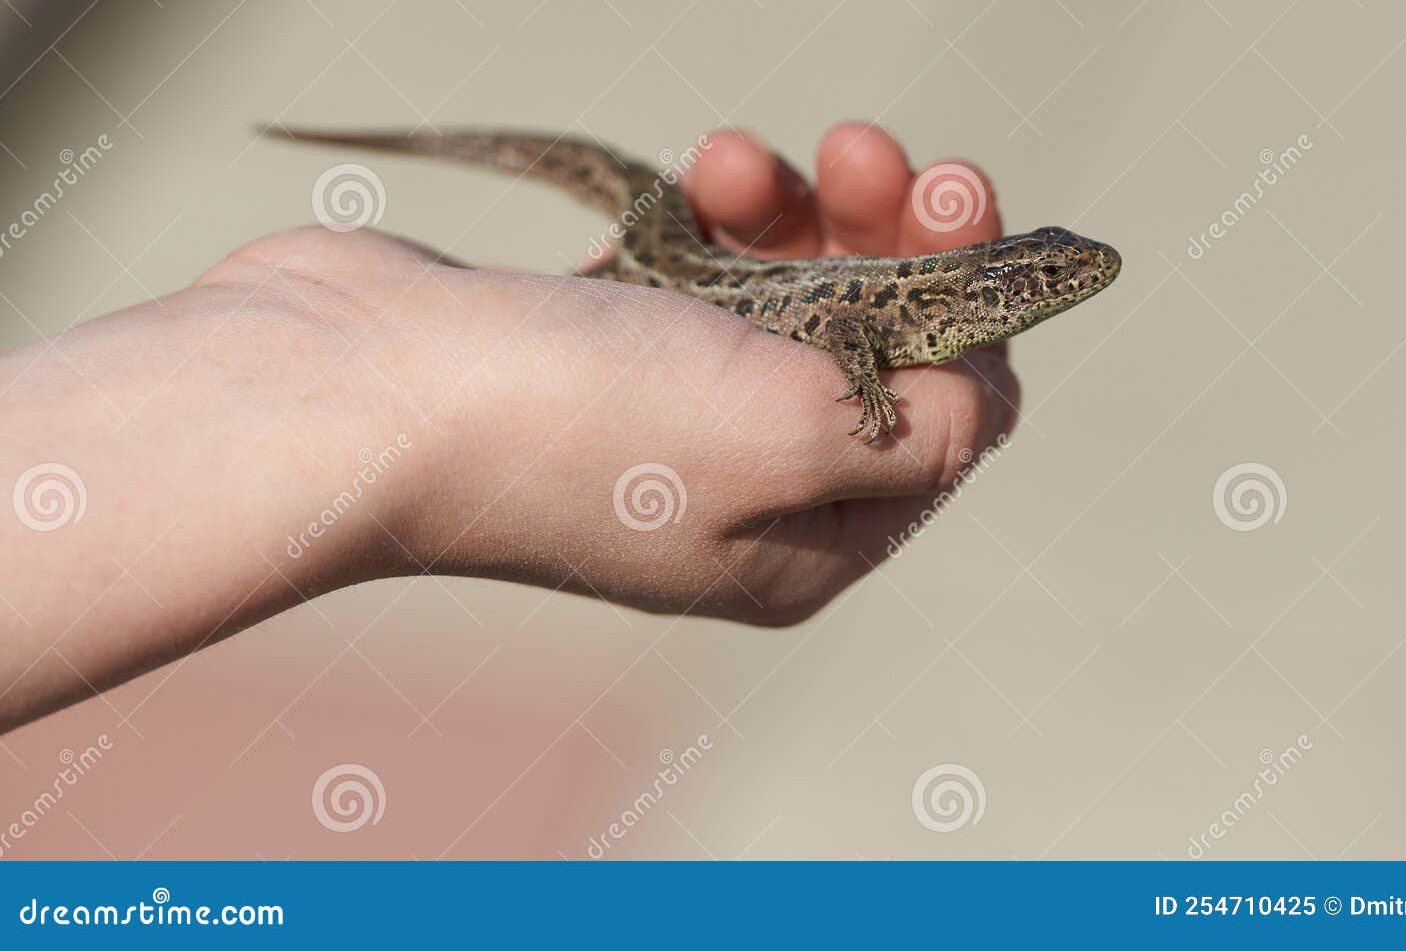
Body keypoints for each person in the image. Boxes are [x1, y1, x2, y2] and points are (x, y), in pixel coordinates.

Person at [0, 123, 1019, 733]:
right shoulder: (907, 312)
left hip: (709, 267)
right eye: (1044, 275)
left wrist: (352, 351)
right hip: (685, 267)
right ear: (994, 294)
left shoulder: (924, 305)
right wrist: (868, 396)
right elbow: (843, 326)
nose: (1071, 281)